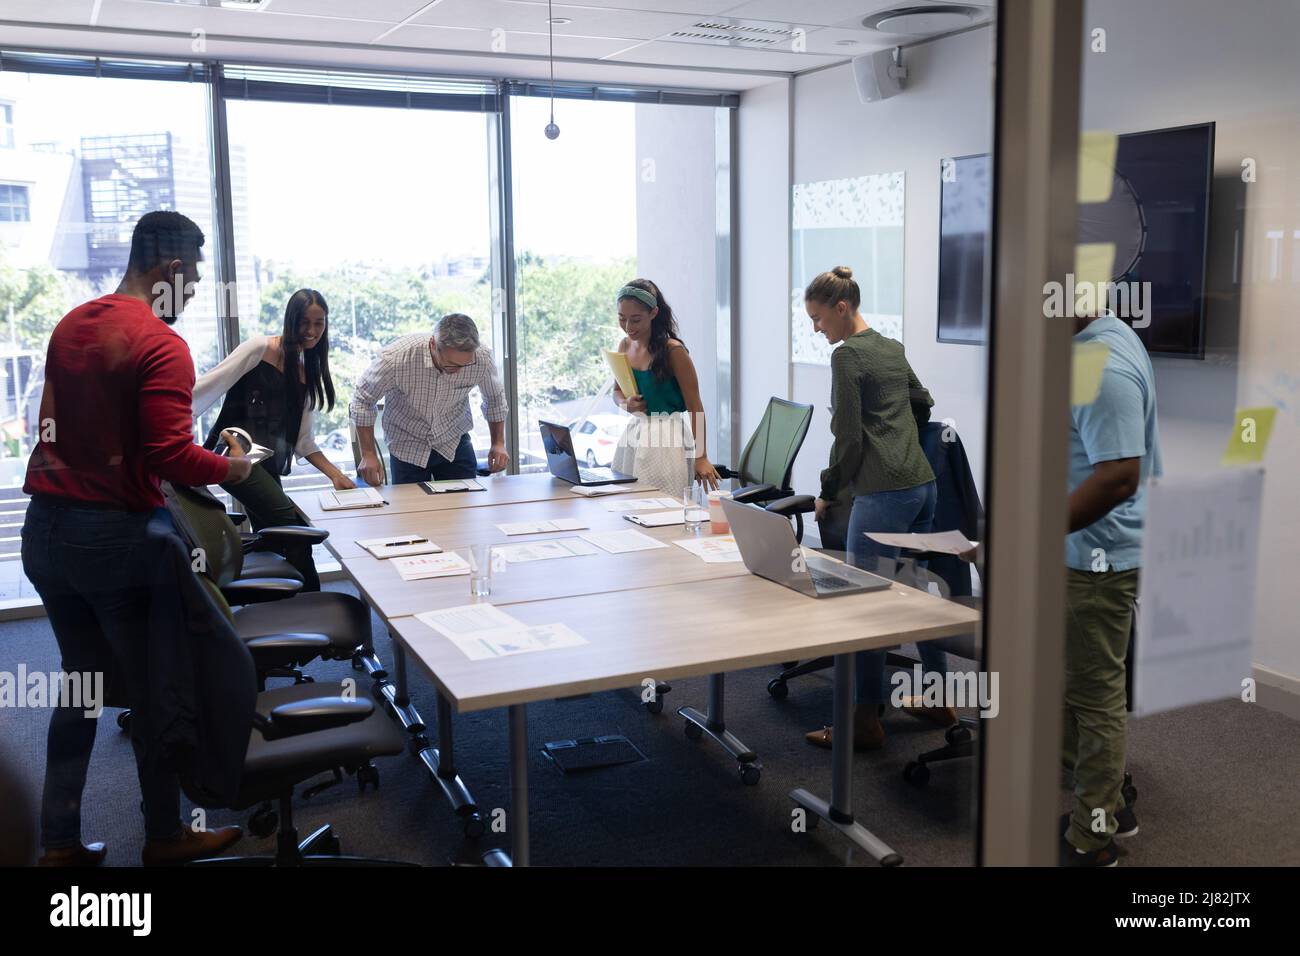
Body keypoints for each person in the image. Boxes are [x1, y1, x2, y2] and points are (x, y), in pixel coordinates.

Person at [22, 210, 246, 866]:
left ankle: (58, 843)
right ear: (171, 269)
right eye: (197, 276)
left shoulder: (72, 325)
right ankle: (166, 836)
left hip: (46, 534)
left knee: (83, 684)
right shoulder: (159, 342)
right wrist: (233, 469)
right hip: (112, 540)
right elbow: (170, 455)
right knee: (155, 691)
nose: (199, 289)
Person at [802, 266, 952, 752]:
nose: (817, 329)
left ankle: (863, 719)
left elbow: (846, 437)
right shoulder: (891, 347)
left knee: (862, 604)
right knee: (922, 593)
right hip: (923, 487)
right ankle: (939, 696)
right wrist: (895, 431)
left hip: (884, 493)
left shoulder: (847, 358)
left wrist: (827, 489)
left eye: (819, 319)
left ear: (841, 309)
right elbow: (922, 402)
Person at [1060, 306, 1161, 867]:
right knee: (1070, 691)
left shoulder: (1100, 362)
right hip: (1080, 554)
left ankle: (1091, 840)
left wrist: (1026, 537)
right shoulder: (1104, 334)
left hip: (1095, 561)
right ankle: (1109, 804)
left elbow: (1119, 475)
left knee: (1094, 698)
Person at [193, 288, 353, 590]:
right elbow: (208, 387)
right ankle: (313, 604)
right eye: (304, 322)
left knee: (275, 535)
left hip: (264, 463)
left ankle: (277, 608)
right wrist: (169, 429)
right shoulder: (259, 348)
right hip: (235, 455)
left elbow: (304, 442)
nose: (311, 331)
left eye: (319, 323)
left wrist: (336, 475)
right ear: (290, 320)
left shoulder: (307, 372)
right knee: (291, 525)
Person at [351, 313, 509, 485]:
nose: (457, 370)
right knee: (412, 509)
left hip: (453, 440)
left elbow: (495, 399)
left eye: (464, 365)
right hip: (407, 444)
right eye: (450, 364)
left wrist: (498, 443)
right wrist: (368, 454)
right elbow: (362, 401)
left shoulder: (482, 358)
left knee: (464, 506)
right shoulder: (396, 358)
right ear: (433, 344)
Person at [610, 278, 720, 494]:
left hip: (667, 438)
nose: (628, 327)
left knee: (663, 507)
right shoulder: (624, 346)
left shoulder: (674, 351)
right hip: (636, 434)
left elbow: (695, 407)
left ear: (653, 313)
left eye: (635, 320)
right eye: (622, 319)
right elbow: (616, 391)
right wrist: (625, 404)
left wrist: (702, 457)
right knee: (628, 504)